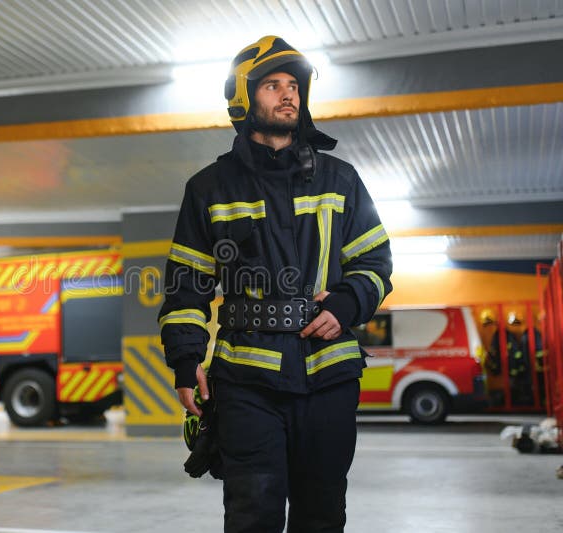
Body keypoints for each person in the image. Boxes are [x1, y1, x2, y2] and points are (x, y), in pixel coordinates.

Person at [158, 36, 393, 532]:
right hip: (246, 382)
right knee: (253, 515)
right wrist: (185, 360)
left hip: (329, 376)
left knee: (322, 515)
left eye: (294, 85)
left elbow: (375, 262)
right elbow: (186, 284)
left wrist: (348, 302)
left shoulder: (341, 180)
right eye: (272, 85)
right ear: (243, 97)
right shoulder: (209, 188)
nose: (288, 94)